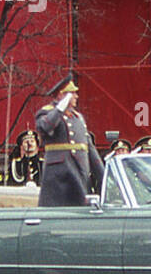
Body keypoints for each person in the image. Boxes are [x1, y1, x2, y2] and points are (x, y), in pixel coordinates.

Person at [34, 77, 103, 207]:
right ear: (62, 95)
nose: (76, 96)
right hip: (59, 178)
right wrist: (60, 108)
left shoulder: (78, 117)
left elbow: (89, 149)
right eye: (72, 93)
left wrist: (103, 175)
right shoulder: (47, 112)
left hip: (79, 174)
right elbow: (46, 127)